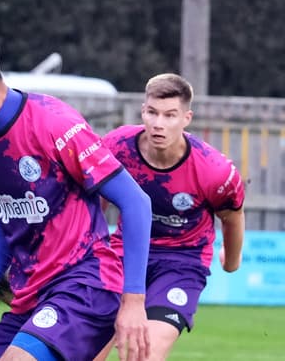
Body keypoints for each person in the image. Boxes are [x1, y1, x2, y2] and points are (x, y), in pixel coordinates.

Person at [0, 27, 152, 361]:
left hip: (85, 285)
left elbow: (136, 203)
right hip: (31, 297)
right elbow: (9, 216)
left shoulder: (54, 124)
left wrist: (133, 301)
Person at [92, 73, 245, 361]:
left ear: (187, 118)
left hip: (182, 262)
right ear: (143, 111)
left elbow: (232, 217)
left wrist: (231, 262)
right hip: (124, 253)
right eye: (152, 112)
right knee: (85, 351)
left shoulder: (214, 170)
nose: (158, 123)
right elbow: (94, 201)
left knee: (143, 353)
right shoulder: (117, 147)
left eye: (170, 115)